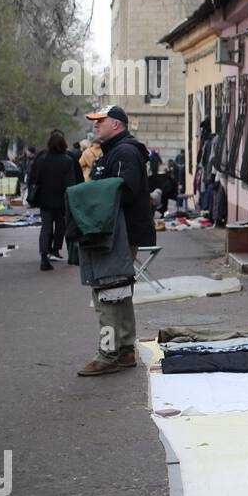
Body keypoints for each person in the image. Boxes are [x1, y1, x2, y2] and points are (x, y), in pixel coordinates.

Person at [78, 105, 155, 376]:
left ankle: (108, 354)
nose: (96, 126)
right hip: (119, 233)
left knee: (107, 293)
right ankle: (123, 350)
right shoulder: (120, 151)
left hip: (116, 234)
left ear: (117, 125)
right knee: (119, 291)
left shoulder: (123, 152)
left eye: (101, 121)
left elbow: (122, 193)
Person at [29, 129, 82, 270]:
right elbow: (70, 183)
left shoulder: (42, 159)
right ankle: (57, 250)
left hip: (45, 199)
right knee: (61, 226)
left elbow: (35, 179)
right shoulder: (67, 160)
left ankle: (43, 256)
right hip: (62, 200)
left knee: (45, 227)